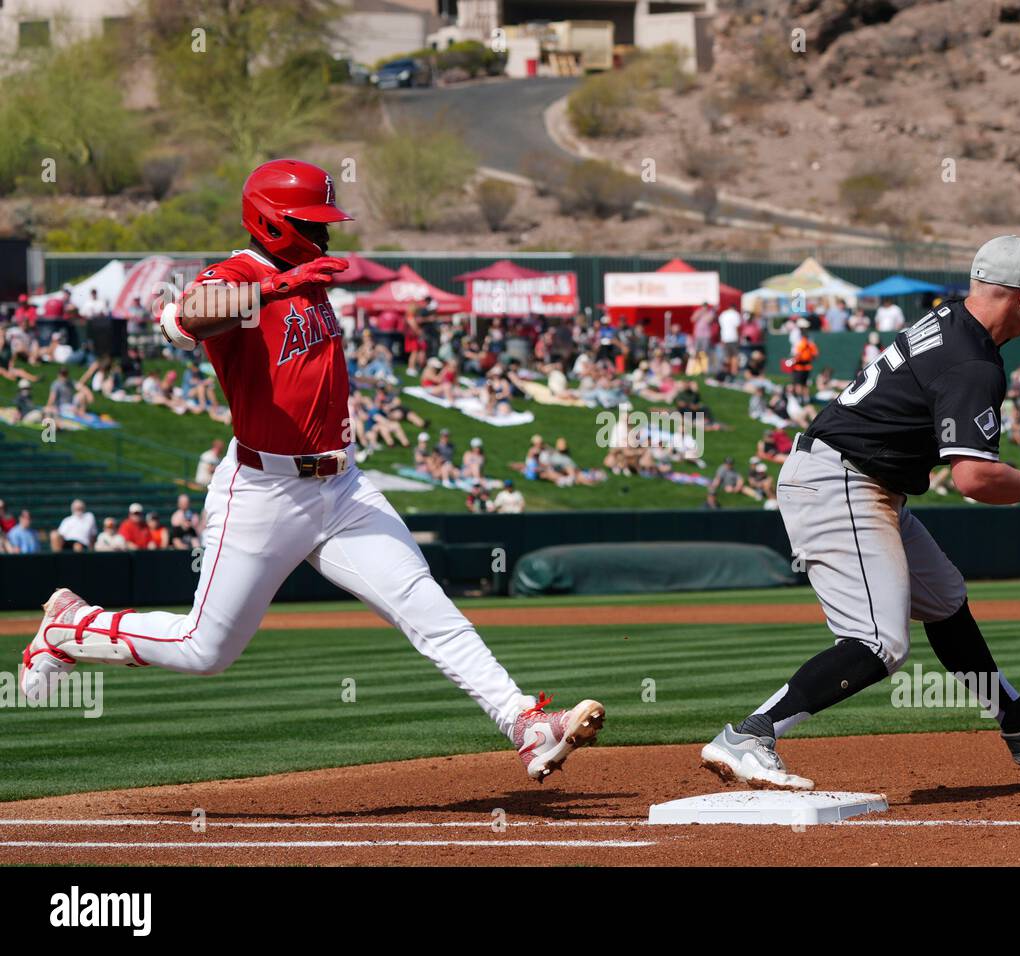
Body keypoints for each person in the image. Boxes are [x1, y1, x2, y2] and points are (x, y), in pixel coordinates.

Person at [21, 158, 604, 782]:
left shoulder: (309, 275)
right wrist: (275, 288)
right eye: (310, 222)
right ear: (271, 223)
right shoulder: (241, 274)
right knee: (205, 650)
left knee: (425, 604)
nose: (323, 235)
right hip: (264, 490)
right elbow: (180, 319)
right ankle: (68, 629)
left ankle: (524, 720)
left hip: (342, 485)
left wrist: (294, 283)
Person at [699, 227, 1020, 789]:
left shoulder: (956, 313)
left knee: (945, 599)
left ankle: (1019, 720)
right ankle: (752, 733)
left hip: (863, 479)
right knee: (879, 642)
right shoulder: (972, 365)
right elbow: (975, 479)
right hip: (844, 482)